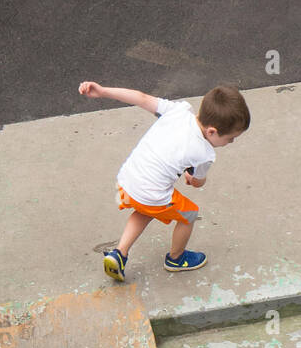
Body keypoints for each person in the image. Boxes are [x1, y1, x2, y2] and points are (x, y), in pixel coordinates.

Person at [76, 80, 250, 278]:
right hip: (151, 193)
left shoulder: (178, 110)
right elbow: (197, 182)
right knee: (190, 214)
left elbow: (141, 98)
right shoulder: (205, 153)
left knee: (145, 209)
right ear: (212, 132)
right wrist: (192, 176)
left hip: (127, 180)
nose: (231, 142)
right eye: (230, 138)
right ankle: (176, 258)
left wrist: (103, 91)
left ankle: (119, 254)